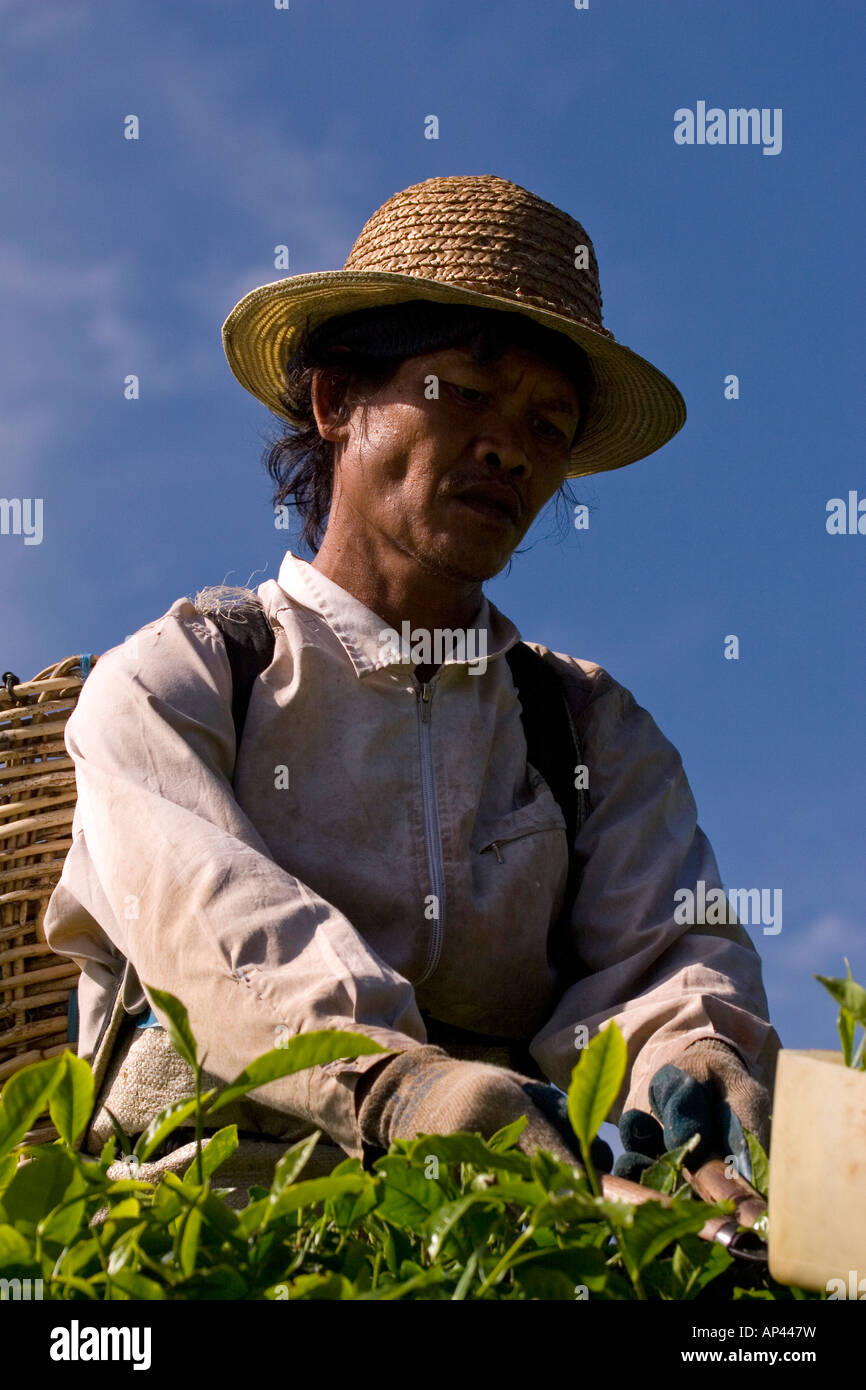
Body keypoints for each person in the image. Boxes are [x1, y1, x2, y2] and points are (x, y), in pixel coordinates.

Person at [44, 174, 780, 1189]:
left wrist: (692, 1072)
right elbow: (210, 924)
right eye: (465, 395)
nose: (506, 450)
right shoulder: (188, 678)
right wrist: (402, 1089)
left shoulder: (586, 731)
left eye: (545, 424)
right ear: (336, 398)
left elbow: (664, 958)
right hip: (212, 1214)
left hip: (512, 1221)